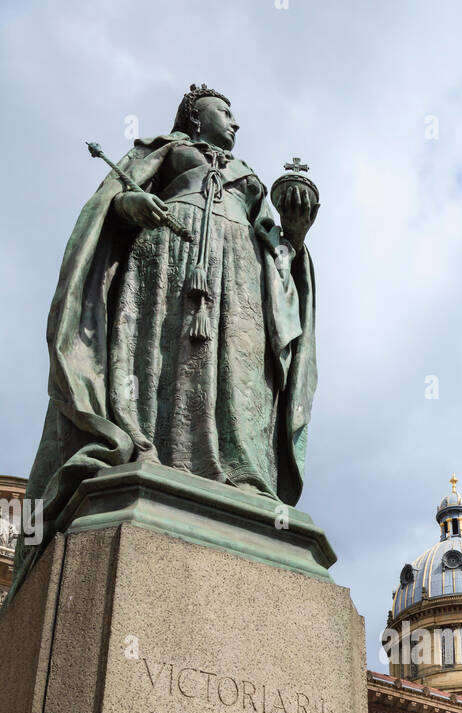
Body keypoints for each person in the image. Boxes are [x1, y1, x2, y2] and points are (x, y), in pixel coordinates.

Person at [12, 84, 318, 596]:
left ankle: (244, 474)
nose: (235, 123)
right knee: (156, 359)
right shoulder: (166, 150)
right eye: (225, 112)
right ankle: (146, 448)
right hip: (166, 261)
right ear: (196, 118)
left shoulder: (250, 181)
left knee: (242, 371)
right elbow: (114, 200)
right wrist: (131, 203)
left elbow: (280, 246)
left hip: (240, 274)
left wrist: (298, 232)